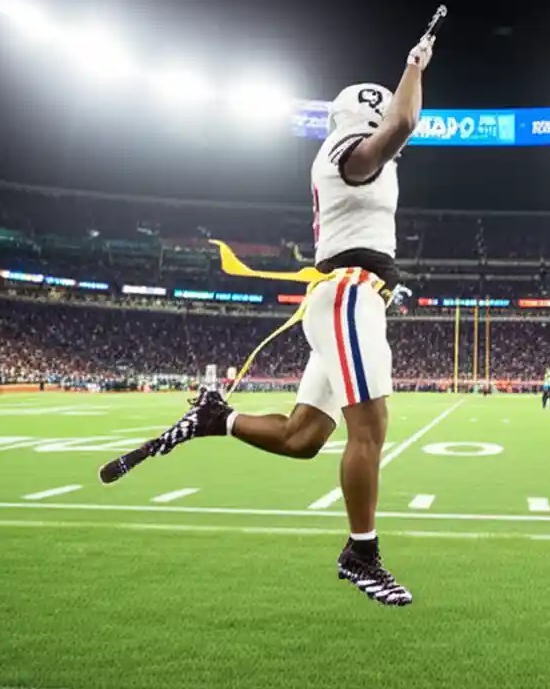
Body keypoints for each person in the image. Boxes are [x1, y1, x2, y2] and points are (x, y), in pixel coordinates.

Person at [121, 33, 436, 606]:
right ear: (359, 117)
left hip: (350, 298)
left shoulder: (350, 157)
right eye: (376, 111)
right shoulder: (349, 155)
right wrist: (414, 66)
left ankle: (220, 419)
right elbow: (405, 122)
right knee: (370, 428)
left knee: (303, 436)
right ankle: (361, 553)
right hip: (346, 298)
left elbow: (392, 140)